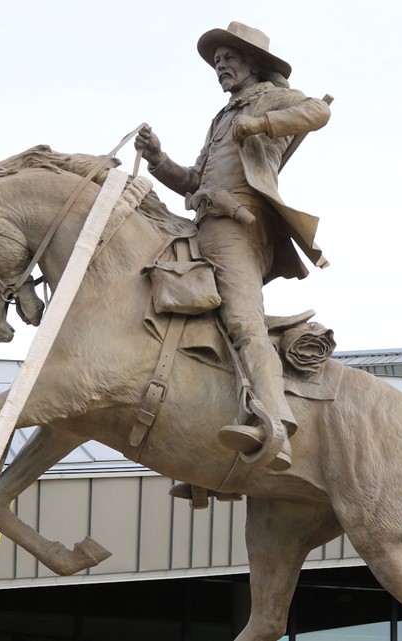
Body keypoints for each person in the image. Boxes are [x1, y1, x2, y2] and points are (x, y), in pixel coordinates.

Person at [136, 22, 330, 473]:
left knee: (242, 322)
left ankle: (276, 424)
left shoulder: (271, 98)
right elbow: (192, 180)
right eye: (216, 62)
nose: (220, 66)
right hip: (200, 220)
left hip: (237, 225)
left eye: (228, 59)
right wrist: (158, 158)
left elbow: (318, 112)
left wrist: (260, 125)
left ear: (253, 62)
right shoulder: (221, 118)